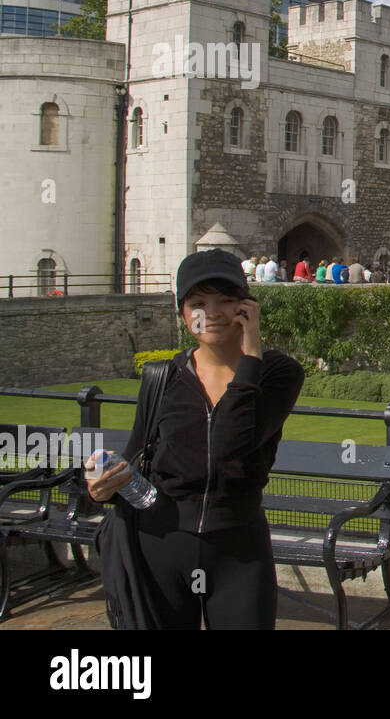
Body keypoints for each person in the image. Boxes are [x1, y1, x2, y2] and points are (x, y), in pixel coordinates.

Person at [85, 249, 304, 629]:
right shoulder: (165, 377)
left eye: (226, 300)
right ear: (183, 315)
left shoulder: (277, 374)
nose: (213, 313)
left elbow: (229, 445)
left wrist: (251, 355)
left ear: (247, 306)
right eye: (198, 303)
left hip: (237, 547)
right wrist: (101, 484)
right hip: (161, 539)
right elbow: (136, 454)